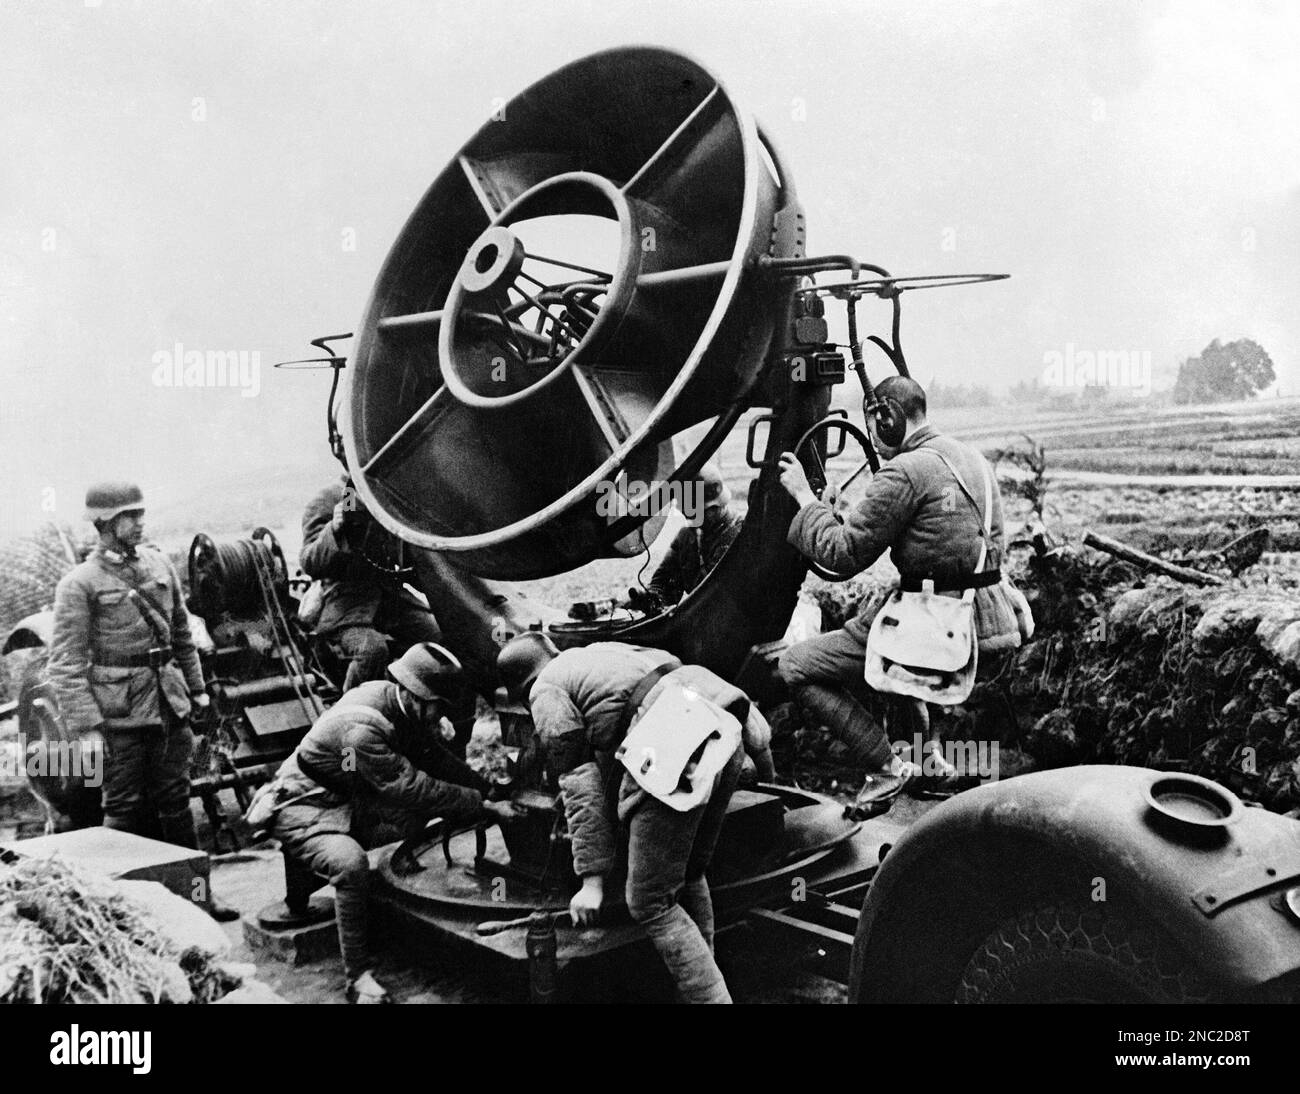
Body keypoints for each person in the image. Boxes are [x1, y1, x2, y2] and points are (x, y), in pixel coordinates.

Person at [776, 376, 1022, 815]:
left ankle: (888, 767)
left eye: (874, 423)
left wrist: (803, 499)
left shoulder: (905, 469)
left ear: (886, 416)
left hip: (939, 626)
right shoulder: (972, 459)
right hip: (989, 620)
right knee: (892, 648)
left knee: (797, 666)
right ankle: (929, 765)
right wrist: (837, 513)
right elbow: (936, 537)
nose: (873, 435)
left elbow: (842, 555)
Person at [496, 633, 750, 1004]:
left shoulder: (545, 690)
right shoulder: (598, 653)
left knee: (649, 902)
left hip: (672, 744)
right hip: (722, 731)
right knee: (690, 873)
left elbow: (580, 784)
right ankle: (701, 975)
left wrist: (592, 881)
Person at [263, 642, 516, 1004]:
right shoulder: (363, 731)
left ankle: (320, 882)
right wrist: (483, 805)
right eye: (437, 708)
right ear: (417, 696)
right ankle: (359, 978)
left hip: (350, 794)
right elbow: (409, 785)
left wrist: (486, 790)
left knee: (415, 817)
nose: (438, 716)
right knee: (351, 865)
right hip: (303, 805)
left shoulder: (396, 702)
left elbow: (434, 757)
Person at [47, 481, 238, 920]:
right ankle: (125, 913)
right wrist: (89, 730)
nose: (139, 523)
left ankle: (198, 897)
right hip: (118, 716)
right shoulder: (79, 585)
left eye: (140, 514)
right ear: (105, 524)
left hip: (170, 705)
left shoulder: (159, 564)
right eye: (129, 516)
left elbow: (182, 636)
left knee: (177, 802)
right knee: (123, 809)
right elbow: (66, 665)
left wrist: (198, 691)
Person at [300, 475, 449, 695]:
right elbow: (310, 562)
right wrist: (334, 529)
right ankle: (349, 712)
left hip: (392, 600)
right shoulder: (328, 499)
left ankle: (431, 715)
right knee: (370, 651)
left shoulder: (385, 496)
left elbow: (406, 558)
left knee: (438, 637)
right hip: (347, 606)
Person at [634, 463, 743, 610]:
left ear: (716, 506)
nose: (689, 518)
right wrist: (651, 598)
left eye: (696, 513)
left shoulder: (738, 535)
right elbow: (663, 582)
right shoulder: (687, 536)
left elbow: (709, 596)